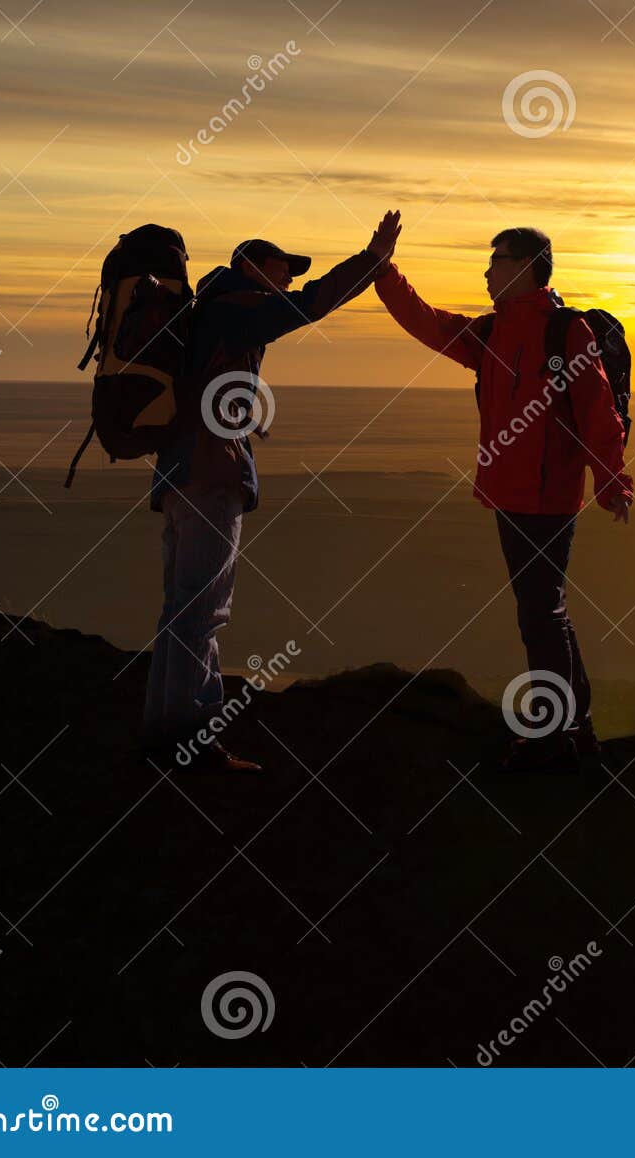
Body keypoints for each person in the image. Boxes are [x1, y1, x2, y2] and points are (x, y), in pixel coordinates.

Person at [141, 211, 403, 773]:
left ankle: (163, 730)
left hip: (178, 474)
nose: (287, 279)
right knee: (203, 610)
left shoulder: (205, 313)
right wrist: (372, 259)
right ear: (253, 268)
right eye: (283, 269)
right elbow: (310, 304)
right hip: (211, 477)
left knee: (180, 607)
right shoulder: (237, 309)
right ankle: (190, 740)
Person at [374, 226, 633, 772]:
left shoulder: (567, 331)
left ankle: (554, 740)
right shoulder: (494, 332)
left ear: (526, 266)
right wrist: (384, 273)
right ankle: (574, 729)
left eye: (497, 260)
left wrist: (612, 482)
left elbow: (597, 410)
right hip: (510, 495)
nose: (487, 271)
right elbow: (432, 325)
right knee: (545, 613)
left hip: (547, 499)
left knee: (540, 615)